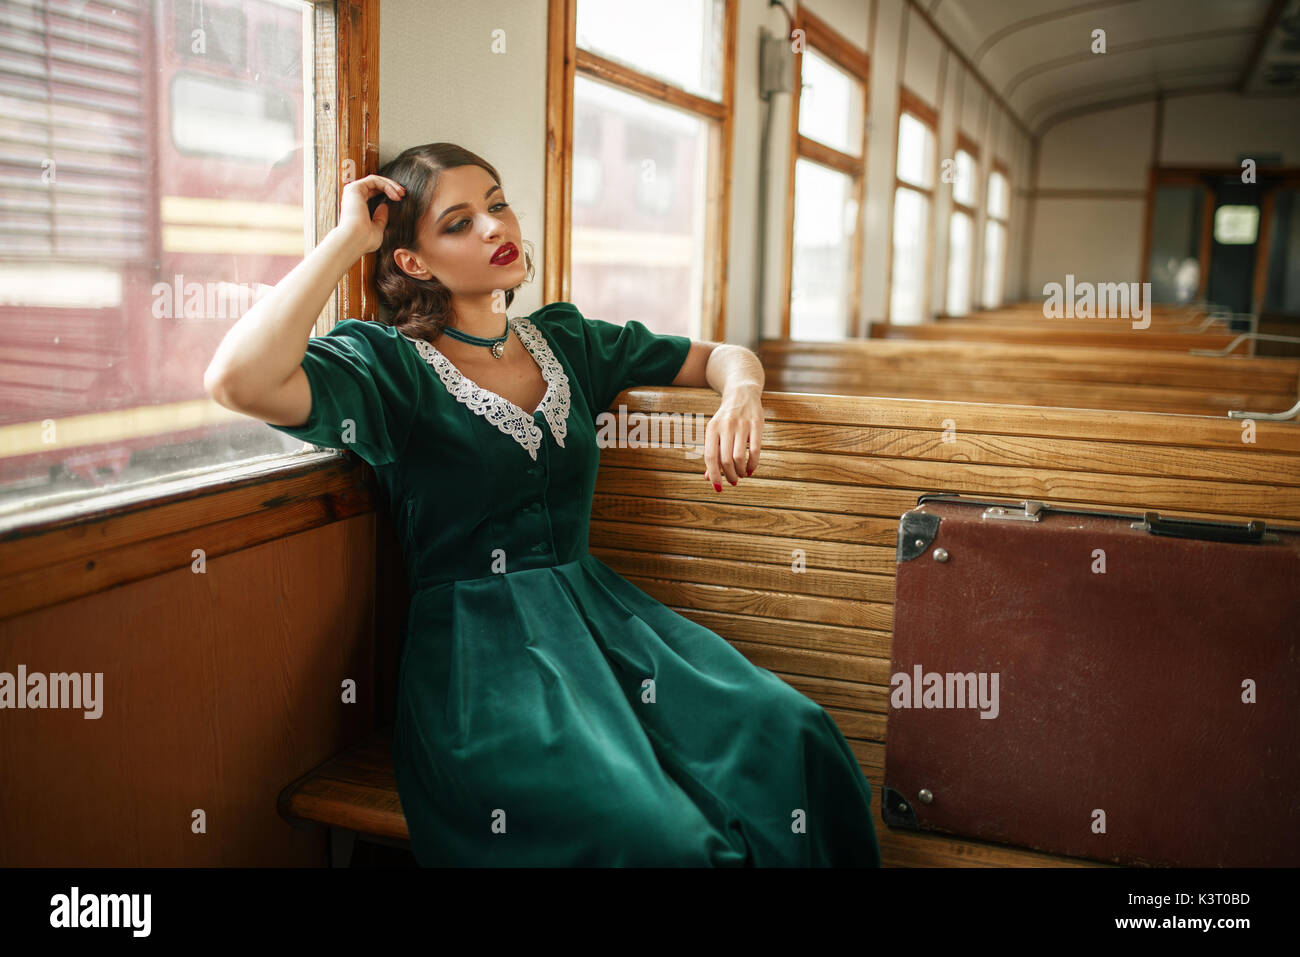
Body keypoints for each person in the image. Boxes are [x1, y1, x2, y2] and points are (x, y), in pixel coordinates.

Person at [204, 142, 882, 867]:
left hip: (610, 623)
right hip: (480, 657)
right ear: (413, 262)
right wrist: (348, 241)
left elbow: (723, 355)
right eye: (459, 223)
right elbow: (237, 378)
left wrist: (742, 397)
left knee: (792, 733)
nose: (496, 228)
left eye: (498, 204)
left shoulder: (567, 342)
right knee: (660, 837)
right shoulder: (389, 368)